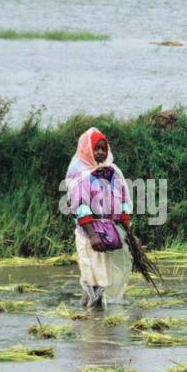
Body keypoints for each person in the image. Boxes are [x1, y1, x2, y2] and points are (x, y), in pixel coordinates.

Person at [67, 128, 133, 307]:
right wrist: (92, 235)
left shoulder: (112, 172)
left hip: (109, 232)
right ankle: (91, 322)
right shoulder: (80, 175)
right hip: (89, 236)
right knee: (92, 277)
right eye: (96, 148)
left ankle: (93, 322)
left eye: (104, 148)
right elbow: (80, 207)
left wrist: (128, 231)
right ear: (87, 149)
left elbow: (124, 200)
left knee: (103, 279)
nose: (101, 152)